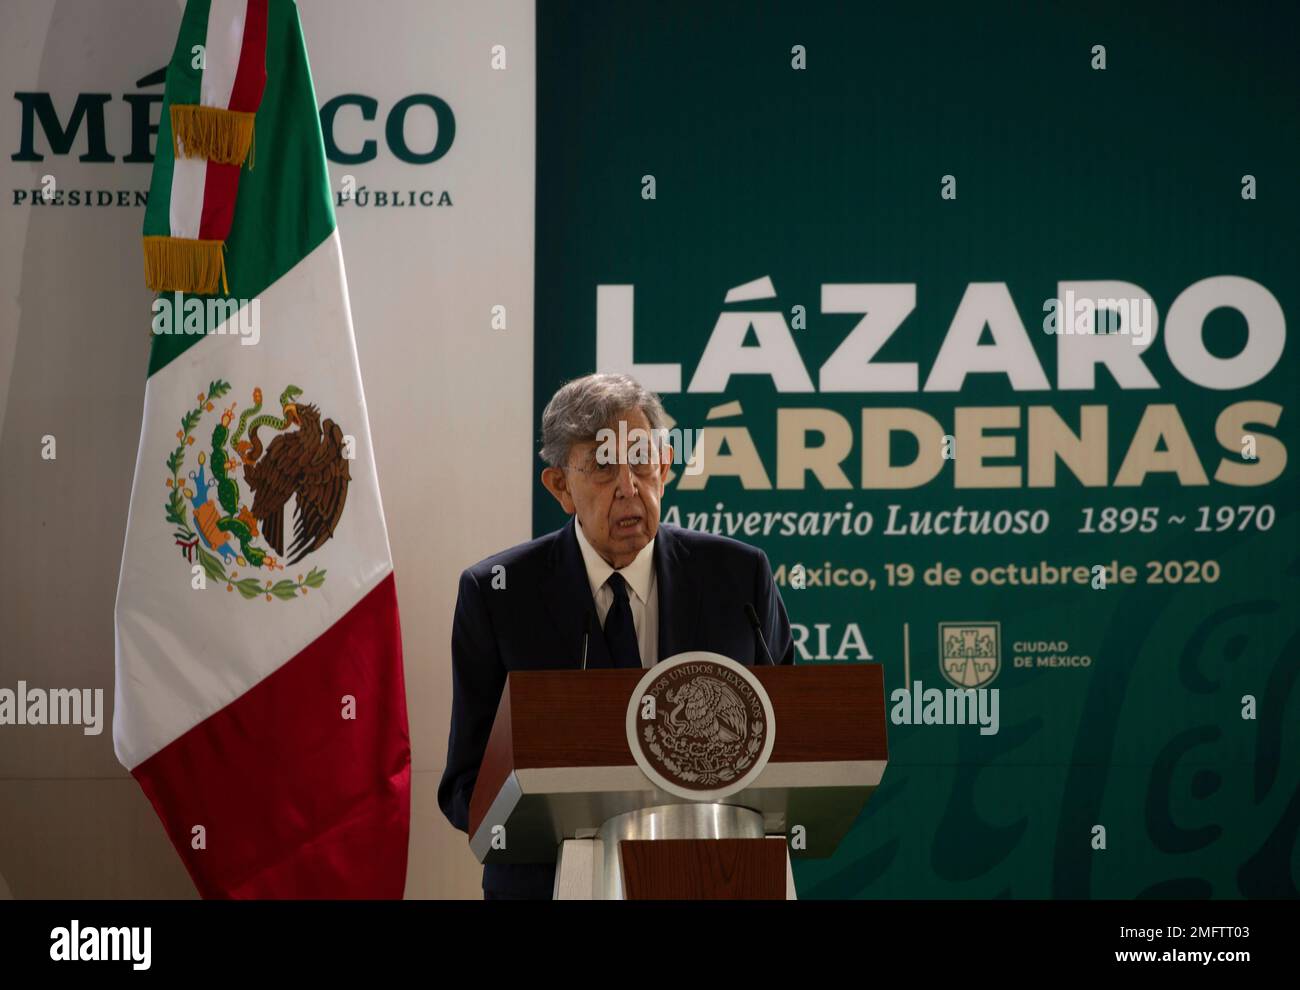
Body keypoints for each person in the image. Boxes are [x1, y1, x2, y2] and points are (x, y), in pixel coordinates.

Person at [437, 373, 794, 899]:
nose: (629, 487)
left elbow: (789, 748)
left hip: (719, 875)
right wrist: (556, 820)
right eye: (603, 467)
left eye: (642, 462)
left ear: (665, 466)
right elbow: (465, 786)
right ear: (559, 486)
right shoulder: (498, 595)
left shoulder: (739, 577)